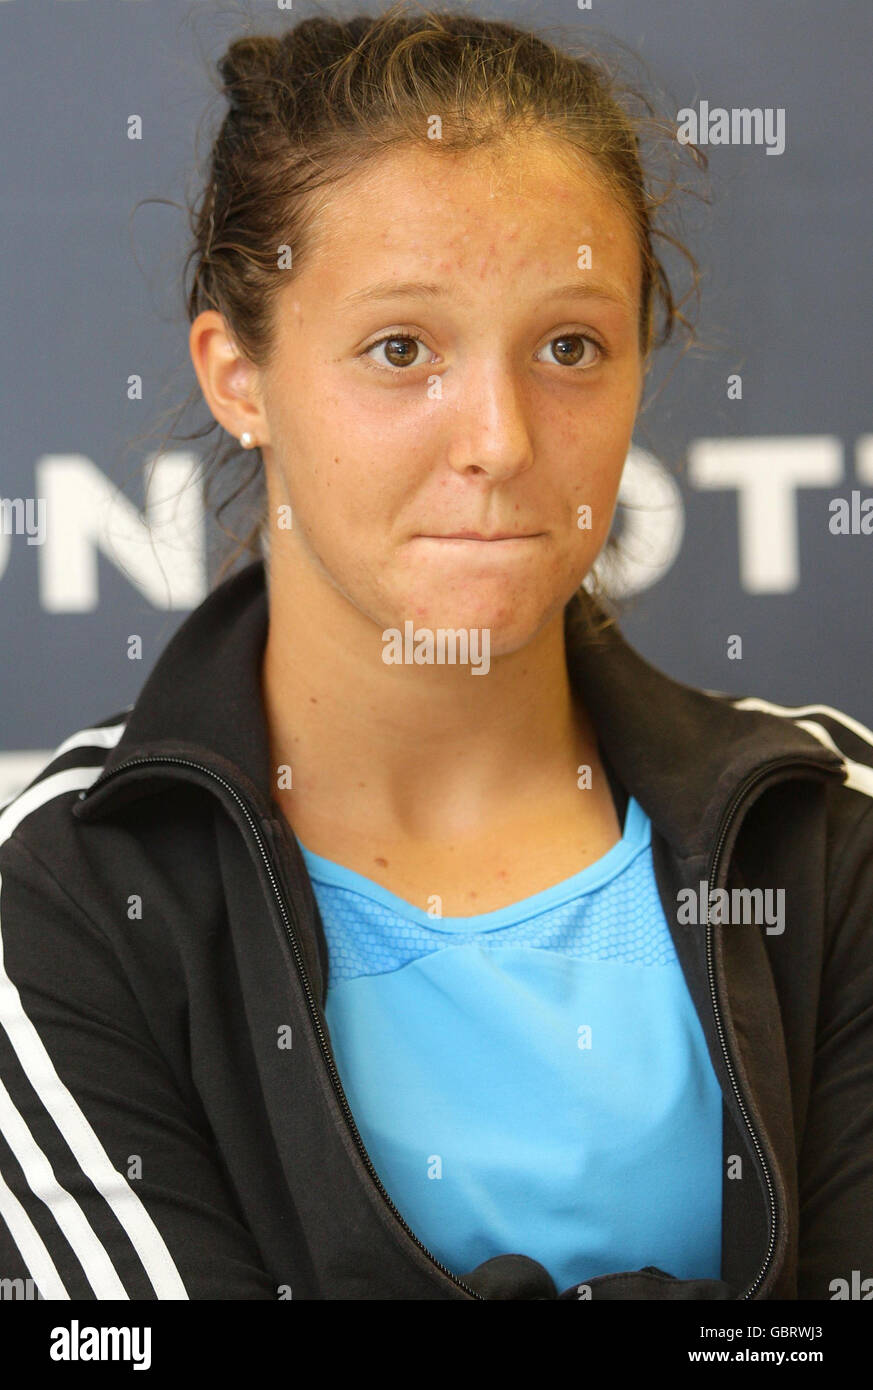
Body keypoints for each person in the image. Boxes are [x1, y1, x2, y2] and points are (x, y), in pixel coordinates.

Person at [1, 5, 871, 1302]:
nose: (501, 440)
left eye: (568, 345)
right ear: (238, 376)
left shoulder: (828, 819)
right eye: (400, 349)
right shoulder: (62, 900)